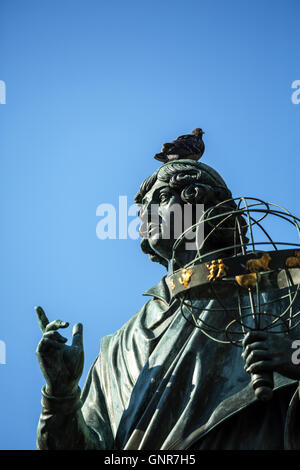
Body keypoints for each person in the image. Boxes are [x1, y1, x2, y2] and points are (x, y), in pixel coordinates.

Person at [35, 160, 300, 450]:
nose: (145, 213)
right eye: (141, 207)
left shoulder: (277, 291)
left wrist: (294, 357)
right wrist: (60, 396)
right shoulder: (115, 347)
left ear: (201, 205)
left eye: (161, 199)